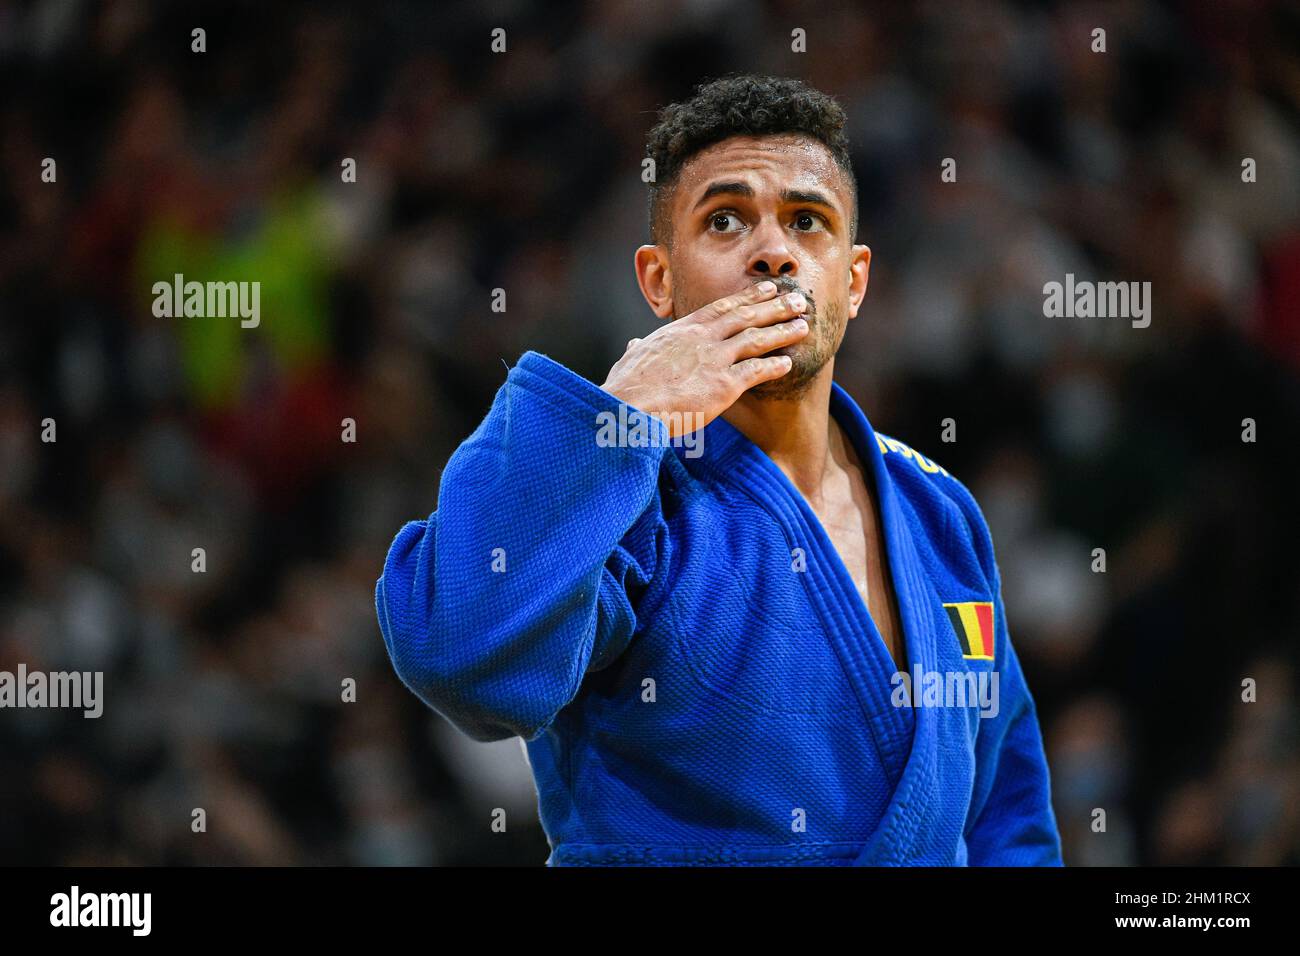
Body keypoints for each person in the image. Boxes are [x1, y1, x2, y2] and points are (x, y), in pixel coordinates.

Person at [375, 74, 1063, 866]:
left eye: (808, 222)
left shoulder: (939, 511)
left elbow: (1008, 818)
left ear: (855, 278)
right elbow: (458, 657)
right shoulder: (619, 503)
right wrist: (619, 414)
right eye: (725, 220)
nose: (773, 251)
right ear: (658, 282)